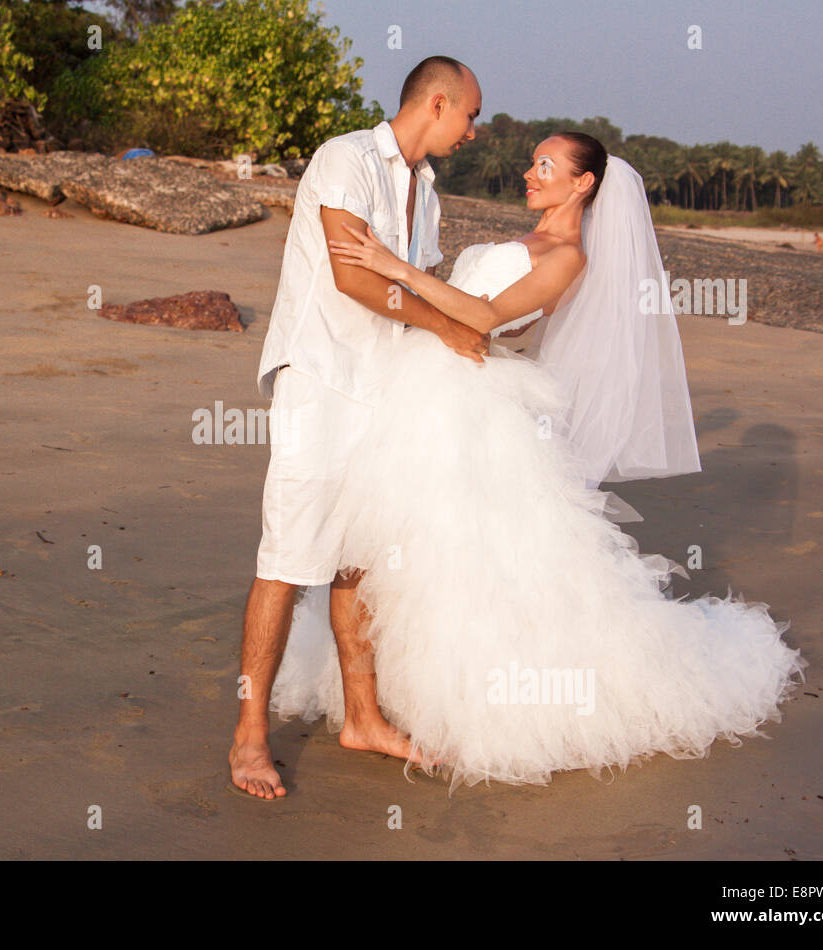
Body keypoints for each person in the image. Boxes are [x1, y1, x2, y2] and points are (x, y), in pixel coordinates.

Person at [270, 134, 806, 791]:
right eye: (532, 161)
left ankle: (464, 696)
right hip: (416, 382)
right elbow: (483, 317)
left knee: (460, 555)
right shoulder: (527, 240)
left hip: (461, 401)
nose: (529, 172)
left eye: (544, 166)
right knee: (380, 548)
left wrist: (398, 269)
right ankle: (372, 706)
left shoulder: (568, 257)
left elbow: (491, 314)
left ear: (582, 185)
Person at [229, 56, 489, 799]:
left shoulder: (427, 192)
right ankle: (249, 738)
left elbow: (419, 281)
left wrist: (473, 327)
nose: (473, 131)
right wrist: (445, 326)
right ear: (436, 102)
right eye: (470, 115)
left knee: (360, 560)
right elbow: (355, 277)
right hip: (320, 380)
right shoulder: (344, 158)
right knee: (287, 556)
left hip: (385, 388)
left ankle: (362, 717)